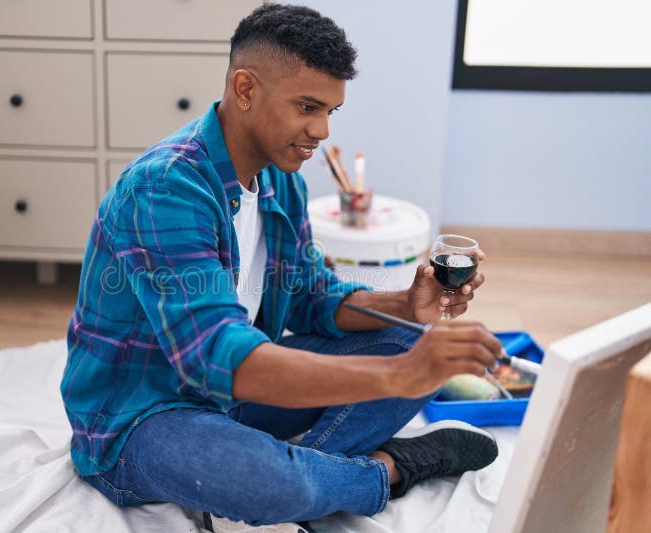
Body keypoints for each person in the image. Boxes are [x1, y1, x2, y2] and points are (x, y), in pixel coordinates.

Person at [61, 4, 501, 529]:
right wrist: (399, 375)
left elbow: (310, 296)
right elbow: (216, 355)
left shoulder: (280, 176)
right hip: (141, 417)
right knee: (267, 476)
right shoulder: (166, 188)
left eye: (330, 112)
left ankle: (311, 481)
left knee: (414, 338)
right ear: (245, 89)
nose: (320, 130)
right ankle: (386, 470)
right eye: (307, 107)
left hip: (231, 401)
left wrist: (406, 305)